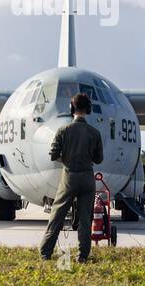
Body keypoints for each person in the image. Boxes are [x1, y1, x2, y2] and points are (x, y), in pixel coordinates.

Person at [39, 91, 105, 263]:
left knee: (57, 215)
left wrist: (67, 159)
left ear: (71, 108)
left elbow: (53, 154)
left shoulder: (63, 130)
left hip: (69, 177)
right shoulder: (94, 133)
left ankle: (45, 252)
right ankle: (82, 255)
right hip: (87, 178)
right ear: (88, 109)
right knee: (85, 219)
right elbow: (99, 159)